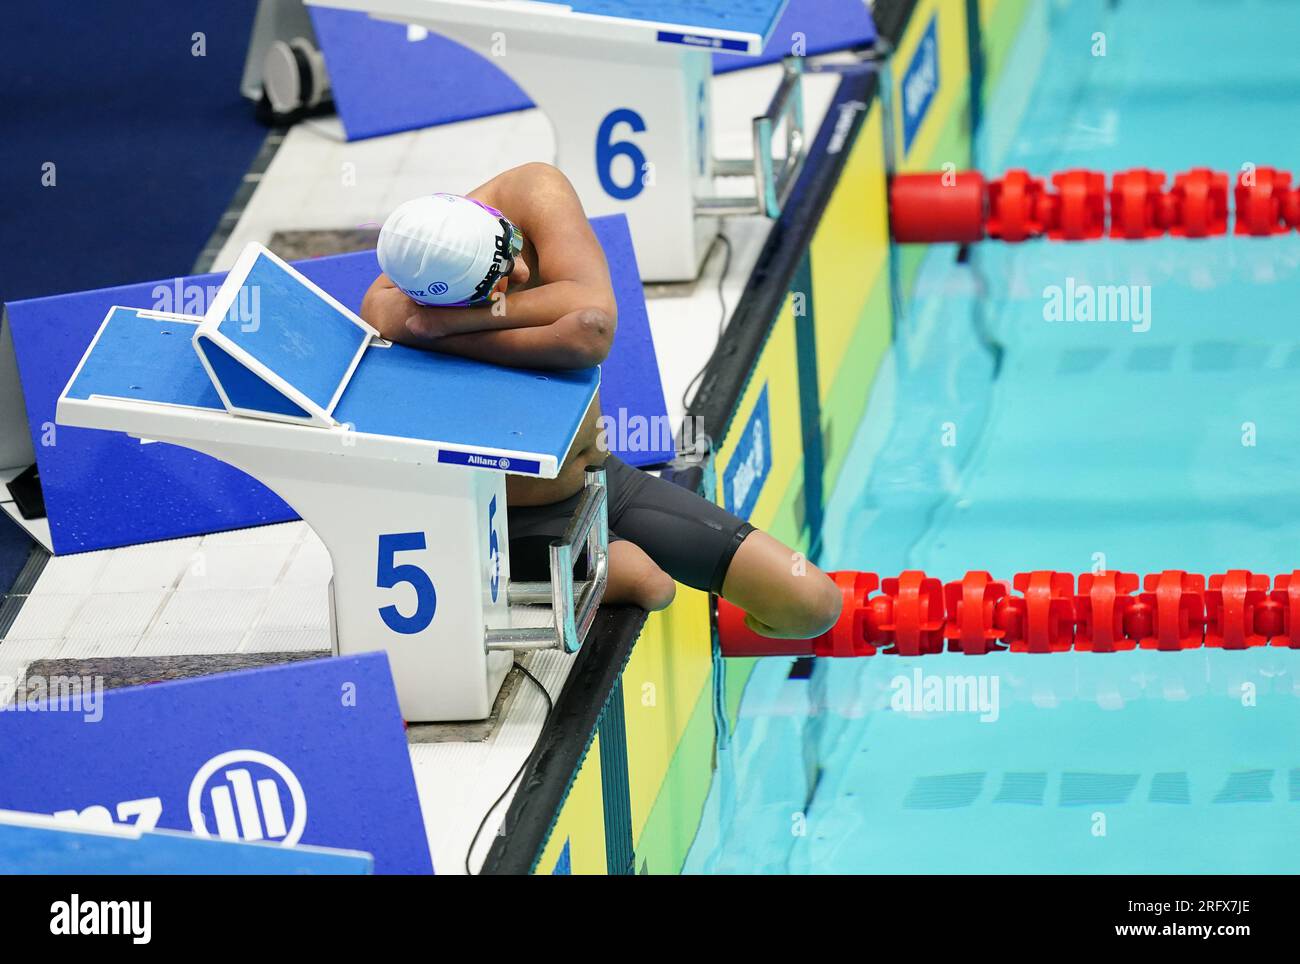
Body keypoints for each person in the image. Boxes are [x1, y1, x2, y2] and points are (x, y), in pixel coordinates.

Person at [361, 162, 841, 639]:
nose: (524, 270)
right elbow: (574, 329)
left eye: (509, 248)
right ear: (431, 297)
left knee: (811, 603)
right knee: (652, 586)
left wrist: (451, 326)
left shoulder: (534, 189)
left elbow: (593, 329)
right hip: (510, 517)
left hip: (603, 478)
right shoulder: (396, 294)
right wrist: (533, 324)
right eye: (496, 287)